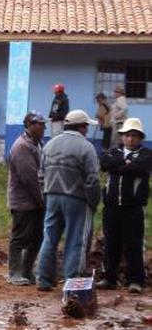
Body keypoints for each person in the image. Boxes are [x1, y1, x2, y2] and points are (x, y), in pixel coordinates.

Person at [35, 109, 101, 291]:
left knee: (49, 237)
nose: (87, 130)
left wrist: (46, 196)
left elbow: (40, 175)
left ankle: (43, 279)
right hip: (77, 199)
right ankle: (73, 282)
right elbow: (93, 180)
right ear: (81, 127)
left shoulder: (49, 144)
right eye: (86, 127)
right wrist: (93, 202)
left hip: (52, 196)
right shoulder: (86, 147)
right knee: (76, 239)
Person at [96, 118, 152, 294]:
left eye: (134, 136)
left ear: (140, 138)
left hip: (133, 208)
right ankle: (108, 278)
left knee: (133, 244)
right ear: (122, 137)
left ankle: (135, 280)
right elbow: (104, 164)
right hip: (112, 207)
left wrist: (118, 166)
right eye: (127, 135)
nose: (130, 139)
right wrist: (124, 164)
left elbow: (138, 169)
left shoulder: (146, 154)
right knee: (111, 242)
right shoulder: (112, 152)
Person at [7, 112, 47, 285]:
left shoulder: (38, 144)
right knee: (20, 237)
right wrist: (40, 199)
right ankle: (14, 273)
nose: (44, 127)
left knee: (37, 237)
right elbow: (29, 177)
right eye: (40, 124)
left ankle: (26, 270)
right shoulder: (22, 146)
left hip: (35, 200)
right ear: (30, 125)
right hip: (23, 201)